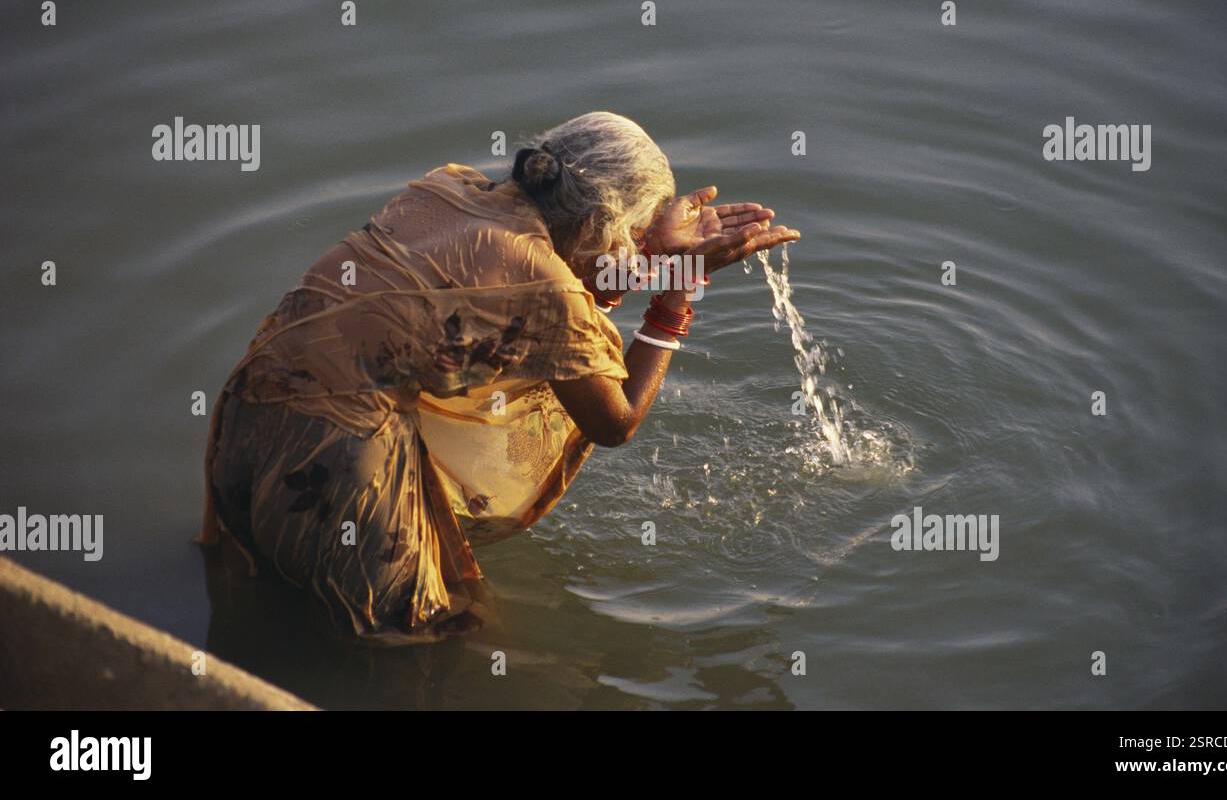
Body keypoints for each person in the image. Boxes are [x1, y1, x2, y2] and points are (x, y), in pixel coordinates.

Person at [198, 111, 799, 643]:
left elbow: (545, 290)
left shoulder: (446, 190)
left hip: (248, 422)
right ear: (606, 226)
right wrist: (674, 294)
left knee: (267, 612)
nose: (636, 249)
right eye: (635, 236)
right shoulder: (544, 287)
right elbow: (614, 421)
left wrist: (648, 253)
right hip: (335, 472)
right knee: (441, 643)